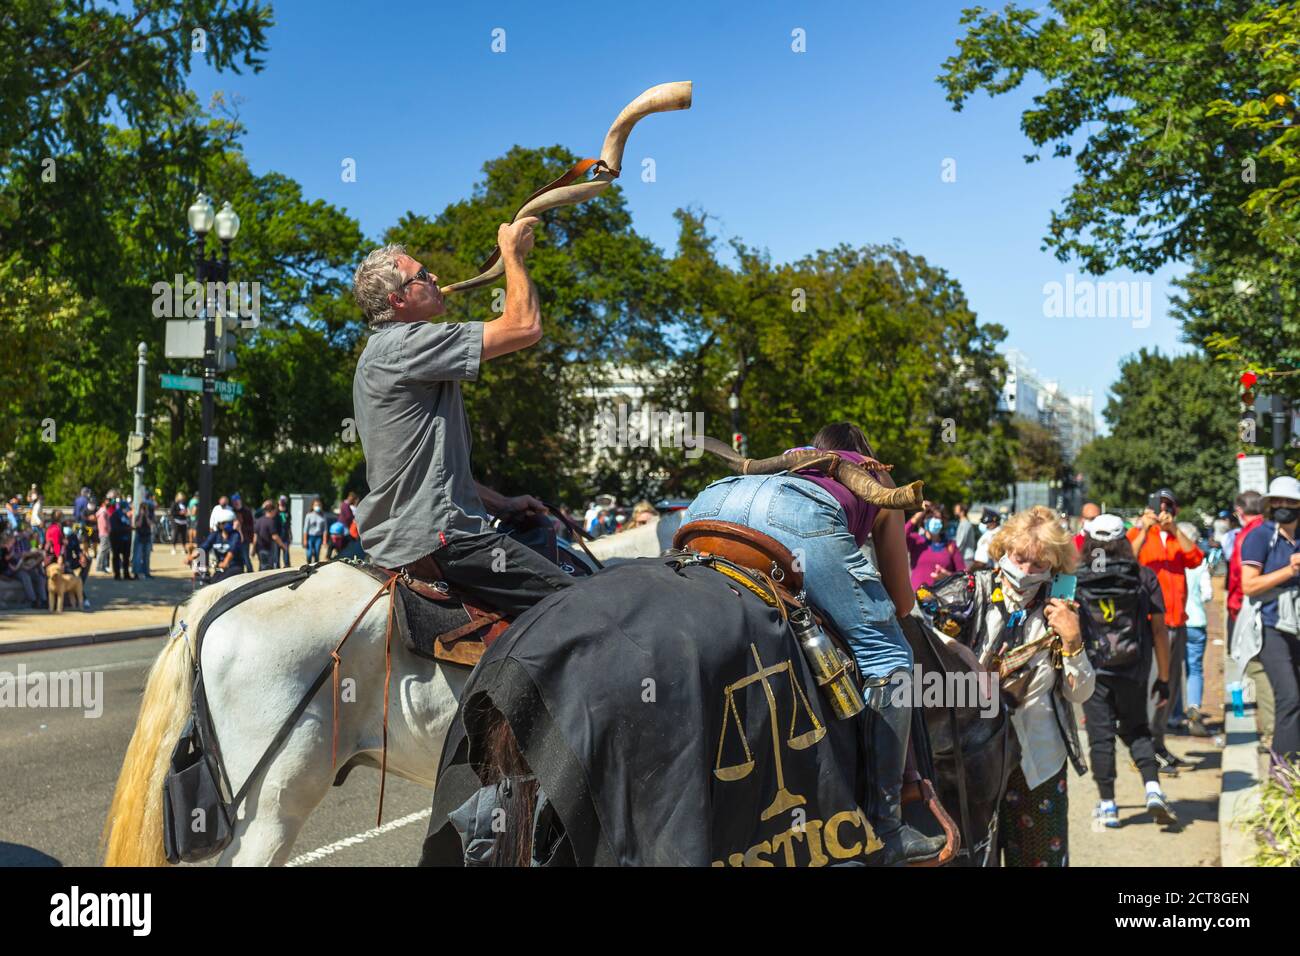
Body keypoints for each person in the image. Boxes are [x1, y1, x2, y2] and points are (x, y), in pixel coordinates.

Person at [679, 421, 946, 866]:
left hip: (713, 500)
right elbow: (901, 602)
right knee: (889, 655)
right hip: (795, 513)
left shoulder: (789, 460)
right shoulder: (875, 473)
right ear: (865, 451)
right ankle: (888, 825)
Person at [349, 233, 575, 620]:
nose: (435, 276)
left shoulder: (383, 352)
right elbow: (524, 327)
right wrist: (513, 254)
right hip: (444, 540)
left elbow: (430, 476)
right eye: (421, 275)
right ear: (397, 301)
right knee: (589, 606)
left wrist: (503, 504)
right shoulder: (408, 344)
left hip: (411, 538)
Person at [974, 507, 1092, 866]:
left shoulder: (1063, 610)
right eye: (1019, 558)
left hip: (1039, 764)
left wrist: (1073, 643)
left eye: (1038, 564)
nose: (1024, 571)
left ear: (1055, 567)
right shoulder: (972, 599)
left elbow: (1080, 693)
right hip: (978, 762)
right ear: (1003, 551)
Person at [1076, 513, 1175, 828]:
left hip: (1094, 670)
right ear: (1124, 541)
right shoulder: (1143, 576)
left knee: (1100, 736)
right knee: (1137, 728)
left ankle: (1108, 805)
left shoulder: (1075, 577)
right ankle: (1153, 788)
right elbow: (1160, 631)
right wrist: (1164, 677)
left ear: (1089, 542)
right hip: (1133, 667)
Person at [1128, 488, 1203, 773]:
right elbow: (1126, 562)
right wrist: (1144, 531)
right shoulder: (1138, 536)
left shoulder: (1176, 538)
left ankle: (1157, 745)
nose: (1163, 513)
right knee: (1150, 687)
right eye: (1159, 507)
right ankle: (1143, 751)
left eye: (1169, 507)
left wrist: (1175, 530)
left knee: (1168, 688)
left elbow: (1195, 559)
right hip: (1149, 625)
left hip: (1176, 622)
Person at [1240, 475, 1300, 766]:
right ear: (1269, 505)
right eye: (1278, 501)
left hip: (1297, 626)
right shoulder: (1260, 536)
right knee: (1288, 696)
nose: (1284, 506)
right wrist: (1289, 571)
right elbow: (1248, 585)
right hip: (1270, 626)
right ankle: (1282, 771)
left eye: (1291, 502)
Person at [1226, 490, 1273, 748]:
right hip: (1270, 608)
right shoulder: (1269, 530)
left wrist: (1235, 613)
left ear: (1240, 512)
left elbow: (1238, 579)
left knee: (1257, 666)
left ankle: (1271, 731)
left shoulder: (1247, 536)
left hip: (1250, 609)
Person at [1180, 521, 1214, 737]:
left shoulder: (1171, 560)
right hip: (1196, 620)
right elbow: (1208, 594)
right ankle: (1193, 707)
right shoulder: (1199, 562)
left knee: (1174, 670)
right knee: (1195, 669)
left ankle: (1174, 714)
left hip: (1175, 621)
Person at [905, 505, 966, 589]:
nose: (934, 520)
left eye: (937, 518)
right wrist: (916, 516)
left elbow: (963, 575)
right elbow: (899, 537)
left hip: (943, 598)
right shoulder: (916, 540)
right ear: (924, 521)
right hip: (917, 597)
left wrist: (948, 576)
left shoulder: (950, 545)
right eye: (930, 517)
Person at [188, 505, 245, 583]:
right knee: (212, 581)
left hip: (234, 567)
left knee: (220, 582)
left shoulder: (235, 535)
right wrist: (191, 557)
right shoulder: (215, 535)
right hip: (220, 568)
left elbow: (232, 550)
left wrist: (226, 562)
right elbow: (204, 546)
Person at [1, 530, 48, 608]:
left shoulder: (25, 542)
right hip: (14, 568)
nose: (23, 534)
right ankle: (33, 600)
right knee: (25, 576)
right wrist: (21, 555)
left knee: (39, 577)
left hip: (26, 565)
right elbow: (8, 558)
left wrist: (32, 554)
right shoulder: (8, 544)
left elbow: (29, 553)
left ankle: (43, 600)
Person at [253, 500, 285, 571]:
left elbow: (255, 537)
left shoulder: (258, 521)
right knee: (268, 568)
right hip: (268, 548)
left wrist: (253, 549)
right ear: (271, 511)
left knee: (262, 566)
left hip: (260, 548)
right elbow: (275, 536)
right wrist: (282, 545)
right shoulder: (271, 522)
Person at [229, 492, 255, 573]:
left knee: (245, 557)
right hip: (233, 538)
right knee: (235, 557)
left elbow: (251, 525)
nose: (236, 503)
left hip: (245, 538)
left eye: (237, 501)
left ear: (240, 501)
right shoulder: (231, 511)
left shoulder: (247, 511)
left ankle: (250, 572)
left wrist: (250, 537)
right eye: (234, 501)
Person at [131, 491, 154, 579]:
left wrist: (147, 515)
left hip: (147, 536)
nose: (144, 510)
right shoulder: (138, 516)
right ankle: (136, 573)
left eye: (145, 508)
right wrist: (141, 515)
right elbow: (138, 525)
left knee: (146, 556)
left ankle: (146, 572)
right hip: (139, 536)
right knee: (137, 556)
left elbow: (150, 524)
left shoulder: (150, 516)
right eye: (143, 508)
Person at [108, 496, 133, 580]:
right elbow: (114, 528)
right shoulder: (115, 515)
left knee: (126, 558)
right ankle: (117, 574)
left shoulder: (125, 515)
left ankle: (126, 574)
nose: (128, 510)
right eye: (126, 508)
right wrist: (127, 529)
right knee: (116, 557)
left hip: (125, 540)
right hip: (116, 540)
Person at [302, 498, 327, 564]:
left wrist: (324, 540)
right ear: (312, 506)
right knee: (309, 554)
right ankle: (309, 565)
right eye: (316, 505)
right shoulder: (309, 515)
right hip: (310, 537)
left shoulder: (323, 516)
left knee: (317, 553)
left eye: (319, 505)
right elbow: (305, 529)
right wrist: (305, 540)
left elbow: (325, 529)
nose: (317, 507)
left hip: (318, 537)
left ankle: (315, 566)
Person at [94, 496, 114, 573]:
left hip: (104, 533)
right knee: (102, 550)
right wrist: (108, 530)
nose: (109, 502)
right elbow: (104, 524)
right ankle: (99, 567)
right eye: (107, 501)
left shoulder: (104, 511)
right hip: (104, 533)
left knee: (105, 551)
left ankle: (102, 566)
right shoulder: (103, 512)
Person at [275, 494, 292, 568]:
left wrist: (290, 534)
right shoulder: (275, 511)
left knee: (286, 552)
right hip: (277, 535)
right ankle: (276, 566)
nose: (282, 502)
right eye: (281, 500)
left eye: (283, 501)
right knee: (276, 553)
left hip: (285, 536)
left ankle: (287, 565)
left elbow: (288, 525)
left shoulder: (287, 512)